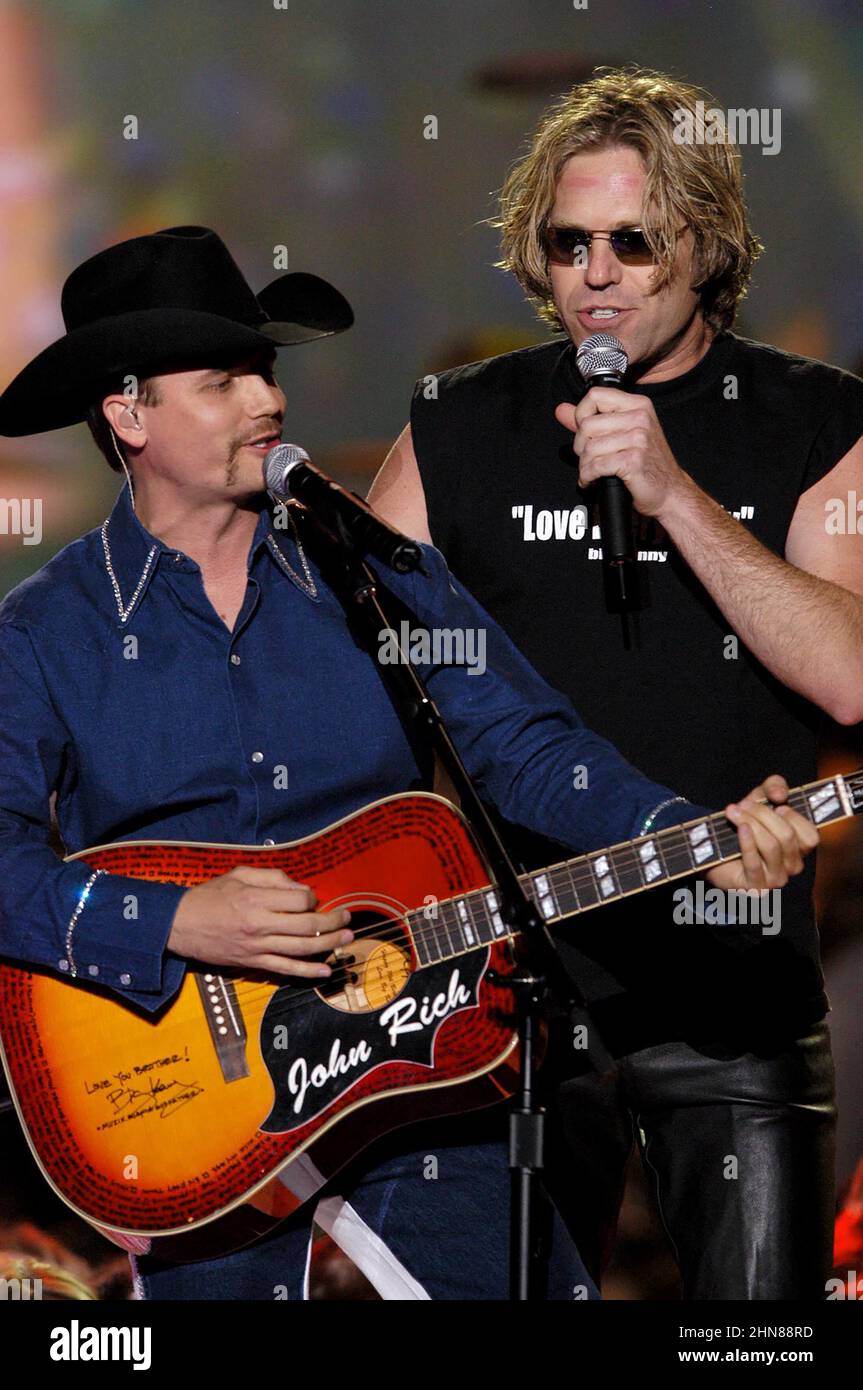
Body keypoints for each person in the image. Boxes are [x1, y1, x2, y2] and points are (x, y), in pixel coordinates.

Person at [0, 225, 815, 1302]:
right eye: (222, 379)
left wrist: (686, 834)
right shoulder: (43, 633)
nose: (266, 402)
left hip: (415, 1054)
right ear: (128, 414)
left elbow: (524, 744)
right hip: (179, 1102)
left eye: (266, 368)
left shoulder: (372, 571)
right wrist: (172, 924)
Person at [368, 66, 863, 1300]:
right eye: (567, 242)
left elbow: (851, 678)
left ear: (703, 243)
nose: (594, 271)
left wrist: (672, 494)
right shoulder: (457, 425)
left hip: (731, 979)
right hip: (500, 999)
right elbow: (350, 682)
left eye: (632, 243)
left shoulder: (812, 422)